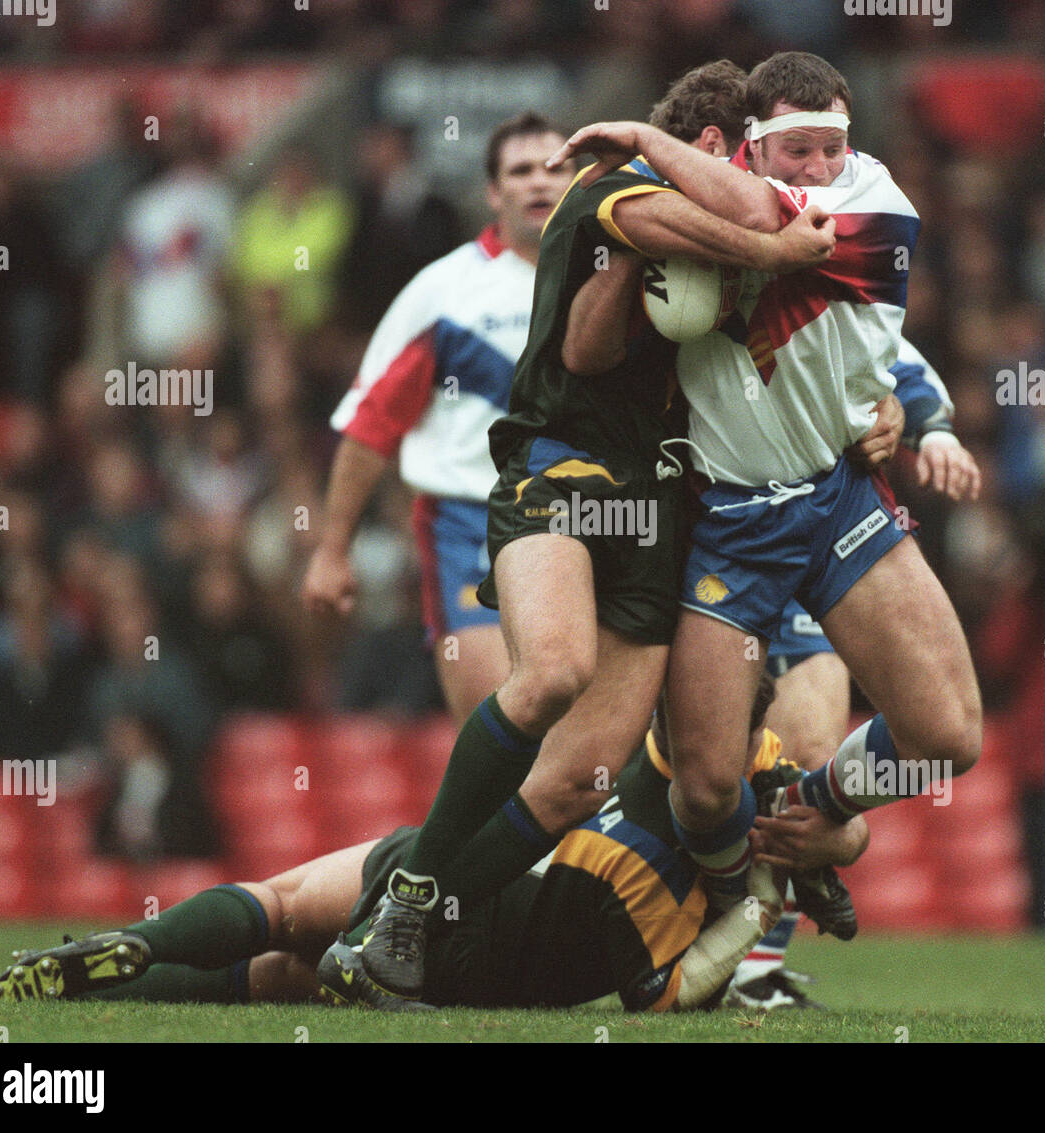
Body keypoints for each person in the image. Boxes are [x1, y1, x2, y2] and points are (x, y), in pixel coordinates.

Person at [356, 73, 839, 1002]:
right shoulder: (613, 185)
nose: (765, 177)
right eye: (747, 154)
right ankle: (411, 894)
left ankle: (399, 924)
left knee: (581, 777)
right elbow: (586, 349)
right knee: (550, 672)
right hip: (564, 472)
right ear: (710, 141)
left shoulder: (725, 258)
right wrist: (772, 248)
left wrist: (891, 416)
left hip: (662, 514)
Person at [551, 52, 984, 917]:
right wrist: (639, 240)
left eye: (834, 147)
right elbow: (586, 353)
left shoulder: (876, 202)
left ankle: (812, 806)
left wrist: (642, 143)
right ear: (752, 146)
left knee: (948, 735)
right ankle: (733, 902)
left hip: (835, 501)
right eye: (799, 152)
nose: (822, 168)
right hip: (726, 519)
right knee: (707, 790)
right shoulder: (693, 214)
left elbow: (786, 227)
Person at [0, 677, 869, 1014]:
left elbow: (831, 817)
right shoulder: (677, 850)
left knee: (284, 907)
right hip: (487, 963)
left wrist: (826, 851)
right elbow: (666, 995)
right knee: (277, 979)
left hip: (460, 864)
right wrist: (764, 899)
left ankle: (131, 948)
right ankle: (122, 980)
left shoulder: (654, 754)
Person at [302, 113, 575, 723]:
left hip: (593, 519)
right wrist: (333, 549)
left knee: (589, 756)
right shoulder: (443, 292)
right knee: (502, 732)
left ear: (581, 182)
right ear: (491, 192)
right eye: (520, 171)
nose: (538, 183)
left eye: (555, 169)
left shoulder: (618, 277)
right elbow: (372, 423)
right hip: (470, 524)